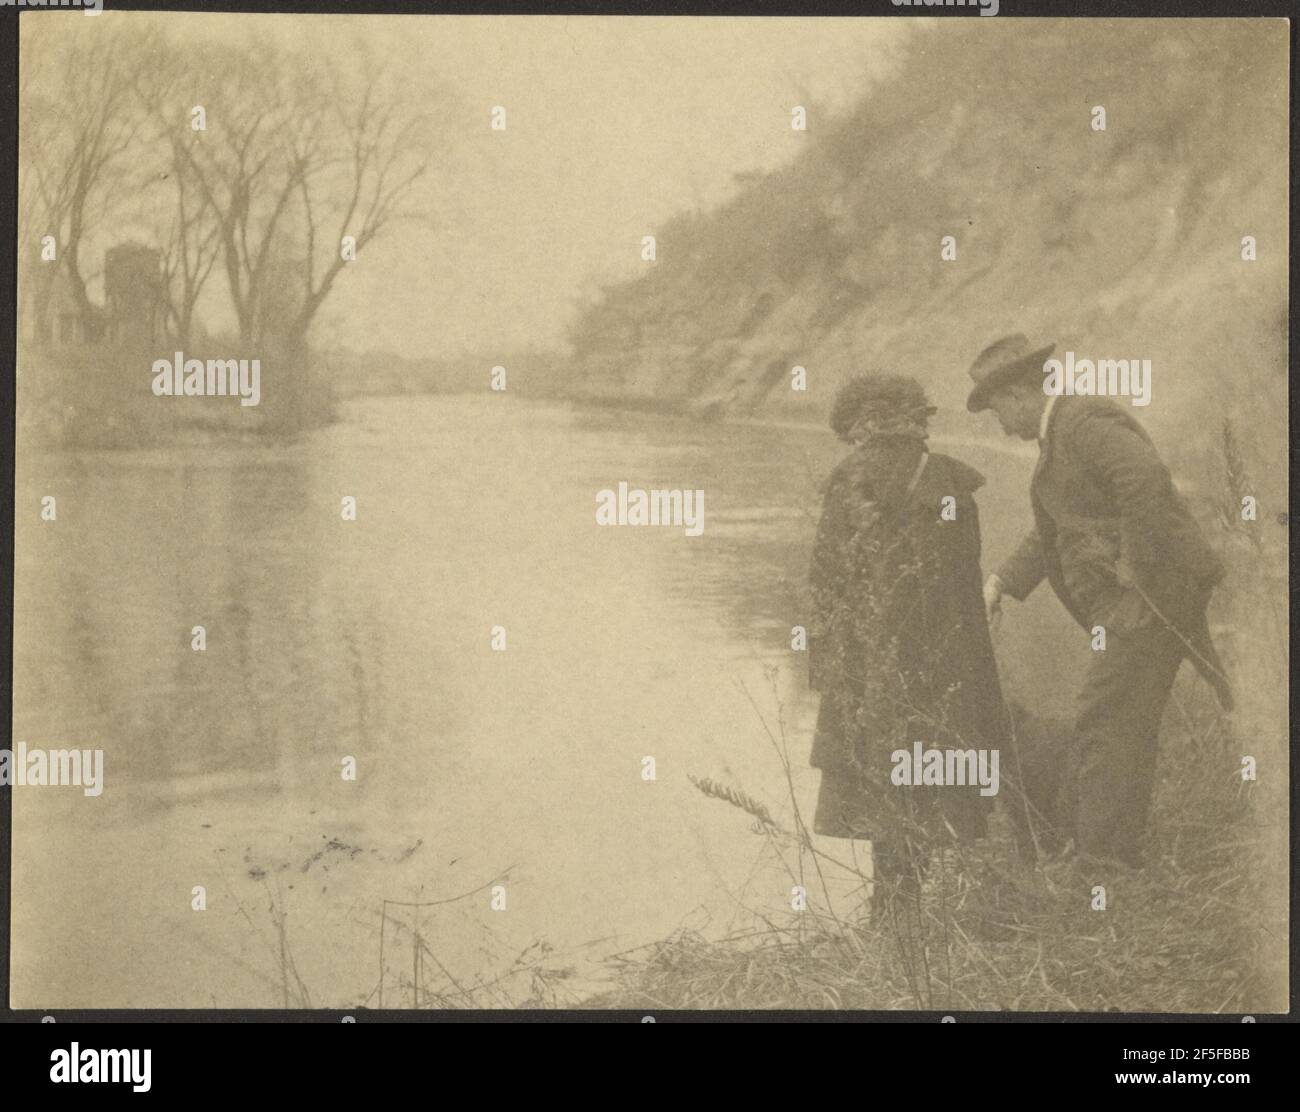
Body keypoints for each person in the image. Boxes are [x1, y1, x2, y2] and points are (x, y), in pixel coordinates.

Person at [967, 334, 1233, 870]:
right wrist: (1001, 580)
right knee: (1127, 719)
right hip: (1147, 599)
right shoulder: (1061, 435)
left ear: (1019, 394)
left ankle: (1103, 859)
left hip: (1147, 600)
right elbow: (1054, 532)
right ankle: (1113, 851)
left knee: (1104, 717)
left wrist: (1137, 564)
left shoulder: (1081, 422)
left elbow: (1143, 479)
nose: (997, 423)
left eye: (996, 408)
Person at [808, 374, 1009, 904]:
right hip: (941, 663)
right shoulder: (949, 486)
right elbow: (966, 590)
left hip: (868, 665)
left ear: (858, 428)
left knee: (879, 779)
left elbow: (824, 588)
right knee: (931, 777)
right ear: (919, 421)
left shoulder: (845, 484)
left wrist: (830, 680)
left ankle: (892, 906)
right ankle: (914, 902)